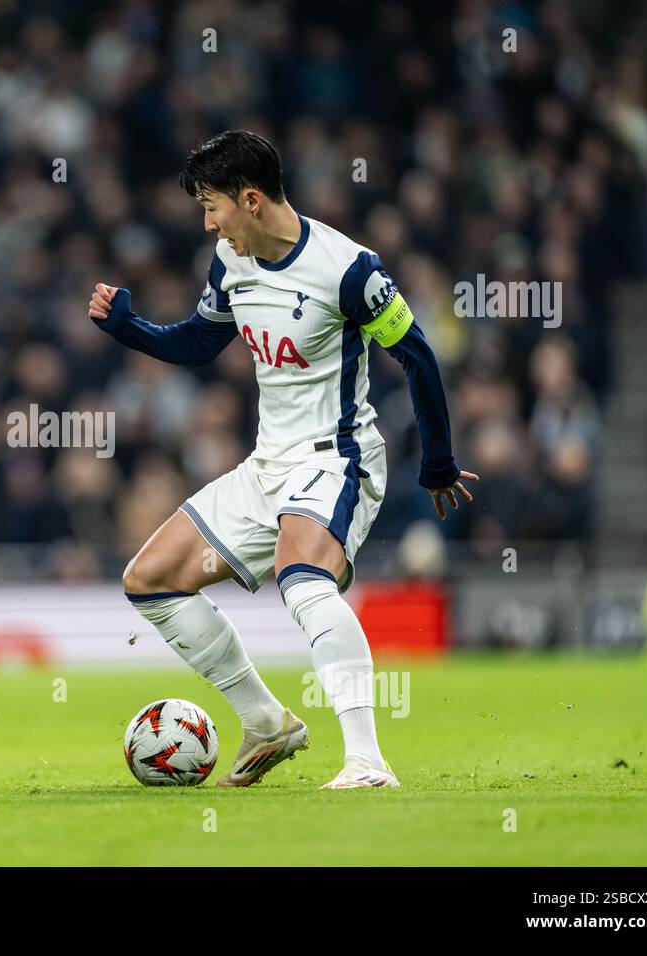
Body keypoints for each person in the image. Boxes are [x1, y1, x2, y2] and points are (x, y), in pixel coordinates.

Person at [89, 130, 478, 789]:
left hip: (338, 458)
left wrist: (437, 462)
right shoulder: (228, 260)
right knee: (148, 578)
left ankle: (366, 761)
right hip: (267, 464)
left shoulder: (348, 269)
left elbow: (416, 354)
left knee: (302, 580)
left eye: (213, 206)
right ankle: (267, 721)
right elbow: (198, 344)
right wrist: (129, 328)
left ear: (251, 200)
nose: (209, 222)